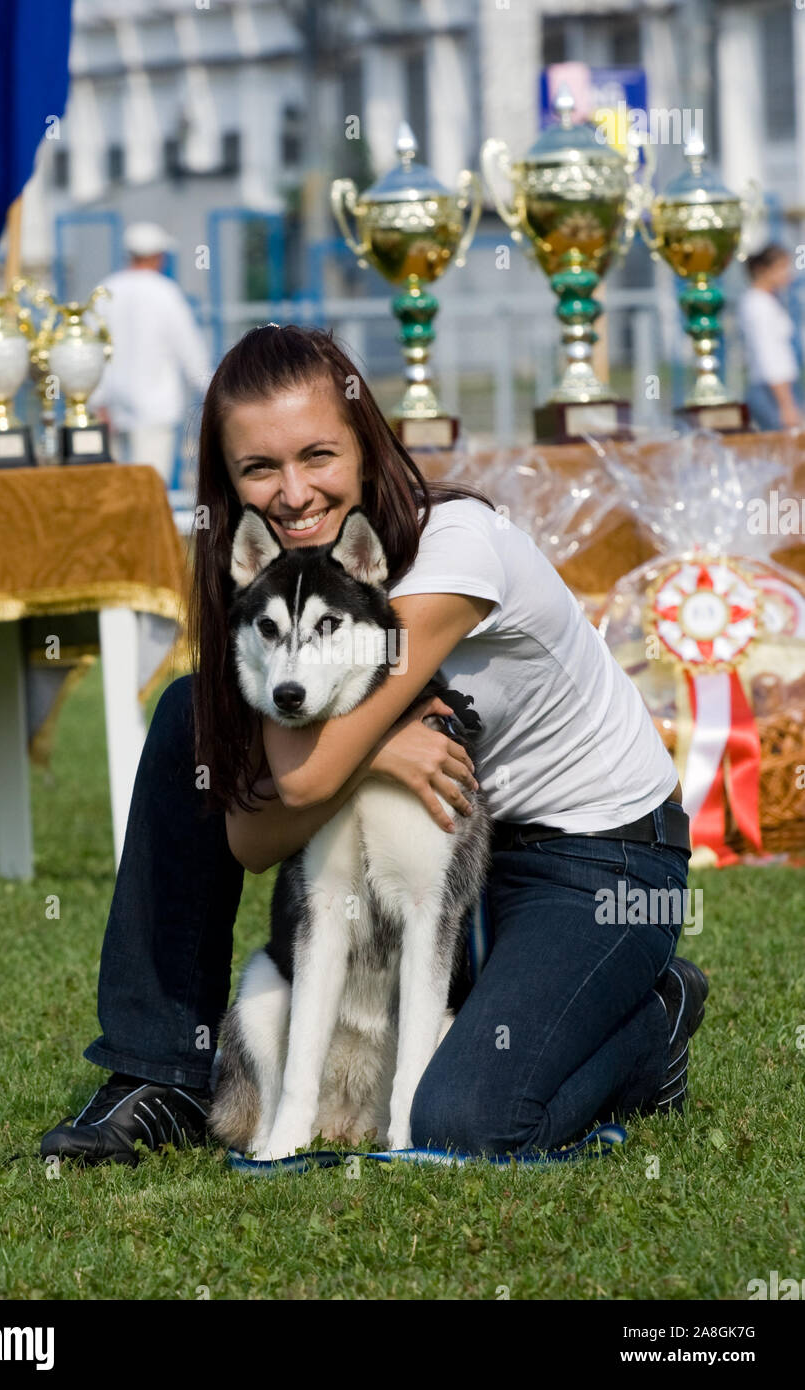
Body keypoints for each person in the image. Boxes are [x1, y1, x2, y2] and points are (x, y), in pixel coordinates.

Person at [40, 325, 707, 1166]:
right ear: (228, 483)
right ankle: (158, 1071)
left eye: (317, 454)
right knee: (188, 713)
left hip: (592, 861)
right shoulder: (271, 588)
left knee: (464, 1122)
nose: (292, 493)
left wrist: (345, 760)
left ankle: (655, 1021)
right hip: (442, 836)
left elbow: (311, 769)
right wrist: (384, 753)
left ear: (367, 444)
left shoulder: (450, 549)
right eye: (258, 469)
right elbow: (252, 839)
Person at [89, 221, 210, 488]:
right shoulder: (165, 293)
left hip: (111, 407)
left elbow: (89, 352)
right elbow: (189, 349)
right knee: (151, 488)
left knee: (113, 489)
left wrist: (96, 402)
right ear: (158, 256)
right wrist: (210, 390)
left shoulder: (104, 292)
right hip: (156, 407)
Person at [738, 243, 805, 431]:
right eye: (781, 268)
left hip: (780, 388)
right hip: (771, 391)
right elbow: (769, 357)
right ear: (763, 270)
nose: (787, 274)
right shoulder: (757, 304)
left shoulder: (769, 301)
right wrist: (786, 404)